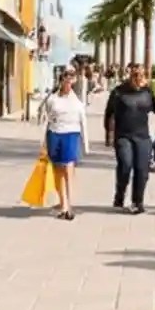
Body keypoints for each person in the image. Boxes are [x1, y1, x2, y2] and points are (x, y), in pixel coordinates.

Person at [104, 63, 155, 214]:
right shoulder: (119, 92)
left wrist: (151, 91)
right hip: (123, 136)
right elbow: (109, 113)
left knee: (142, 170)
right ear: (130, 75)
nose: (138, 78)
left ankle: (138, 202)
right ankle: (120, 194)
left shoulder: (147, 91)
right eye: (135, 75)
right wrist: (109, 135)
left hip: (142, 136)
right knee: (125, 165)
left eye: (141, 75)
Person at [40, 70, 90, 220]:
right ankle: (63, 204)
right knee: (58, 170)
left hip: (71, 134)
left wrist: (85, 144)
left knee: (68, 168)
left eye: (71, 81)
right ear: (61, 81)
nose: (68, 84)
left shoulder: (77, 101)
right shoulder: (52, 99)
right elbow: (46, 117)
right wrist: (42, 142)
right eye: (65, 80)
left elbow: (83, 122)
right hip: (55, 134)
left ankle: (69, 205)